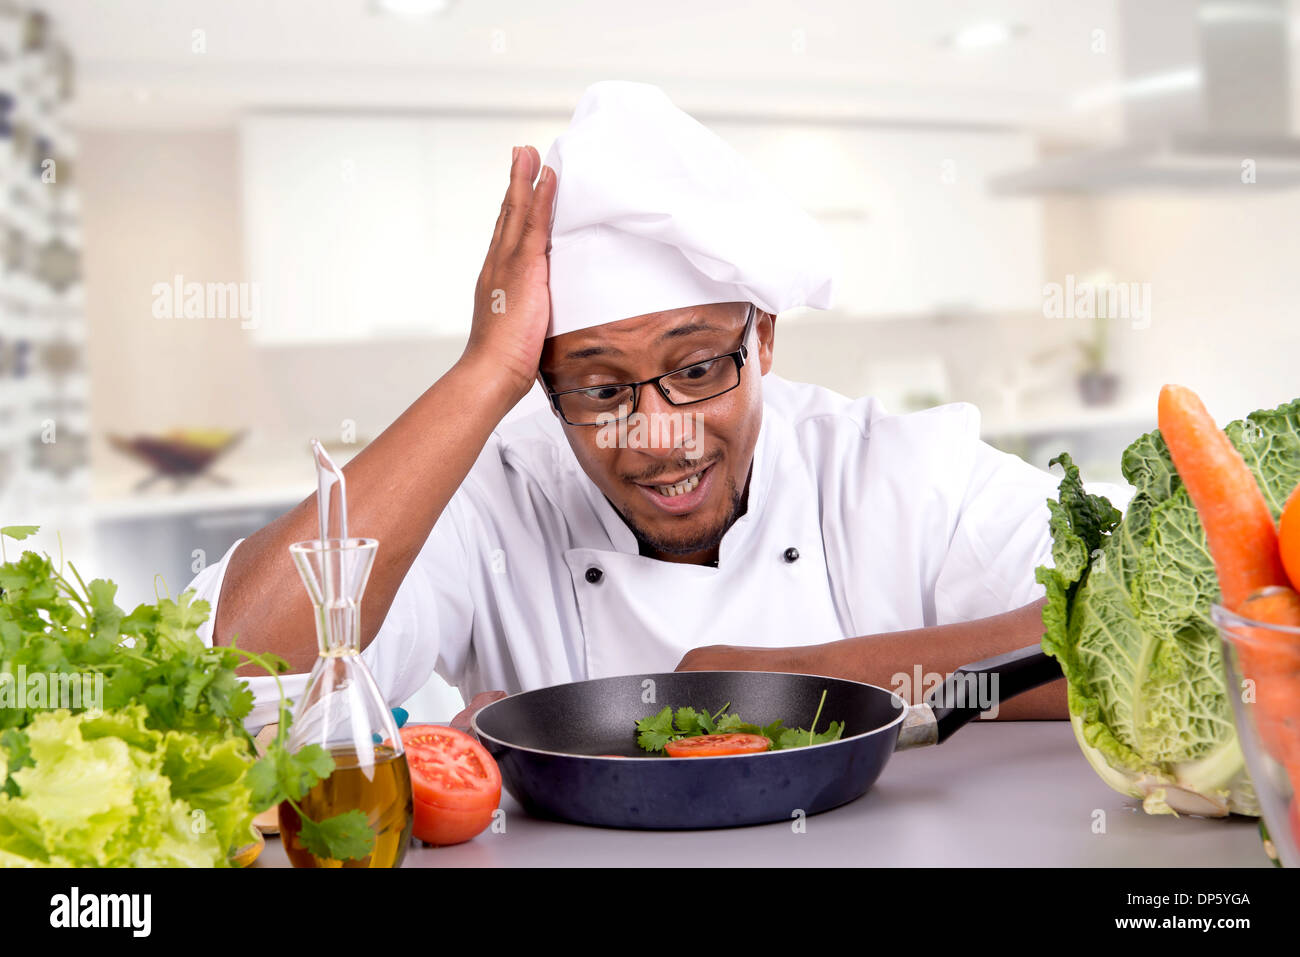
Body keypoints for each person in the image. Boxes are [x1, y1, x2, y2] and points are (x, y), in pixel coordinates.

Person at [188, 81, 1123, 730]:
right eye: (599, 387)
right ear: (545, 389)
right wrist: (482, 372)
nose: (661, 433)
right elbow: (233, 681)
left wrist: (749, 685)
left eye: (698, 367)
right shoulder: (492, 502)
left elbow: (1140, 622)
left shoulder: (900, 469)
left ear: (761, 339)